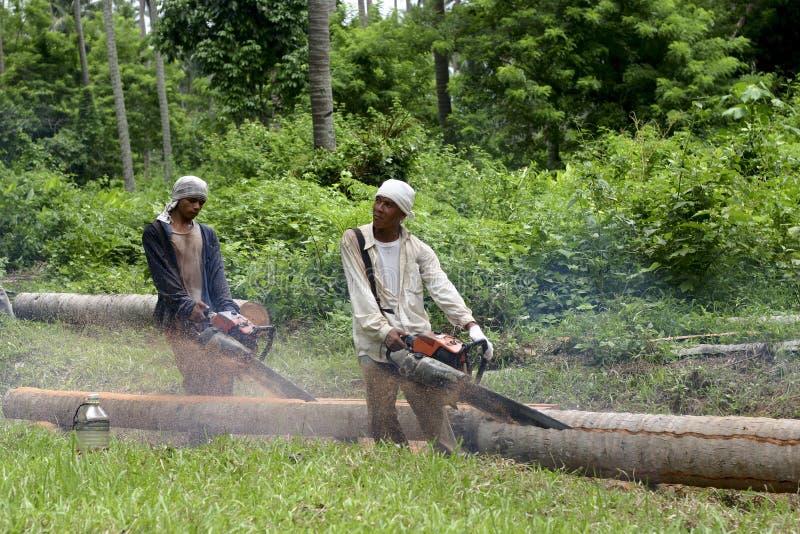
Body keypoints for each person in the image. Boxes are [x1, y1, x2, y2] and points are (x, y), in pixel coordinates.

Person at [340, 179, 494, 453]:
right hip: (374, 340)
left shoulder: (418, 248)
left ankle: (447, 458)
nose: (379, 208)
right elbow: (360, 294)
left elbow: (441, 286)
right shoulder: (355, 239)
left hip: (415, 341)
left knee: (429, 405)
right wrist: (384, 331)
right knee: (381, 414)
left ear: (402, 214)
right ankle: (393, 461)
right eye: (378, 200)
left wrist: (471, 326)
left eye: (389, 205)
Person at [142, 175, 241, 396]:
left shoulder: (207, 233)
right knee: (195, 371)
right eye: (192, 200)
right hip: (178, 315)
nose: (197, 207)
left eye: (202, 202)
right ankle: (197, 427)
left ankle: (225, 424)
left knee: (223, 369)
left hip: (211, 312)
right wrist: (187, 306)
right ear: (178, 199)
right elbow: (164, 278)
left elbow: (217, 273)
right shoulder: (155, 233)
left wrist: (227, 307)